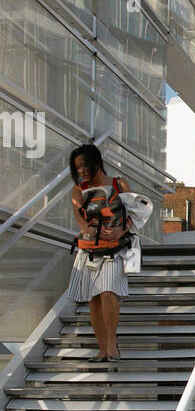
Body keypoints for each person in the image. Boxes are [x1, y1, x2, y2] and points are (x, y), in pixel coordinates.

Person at [67, 144, 131, 362]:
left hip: (115, 247)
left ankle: (112, 343)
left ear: (96, 161)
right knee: (93, 298)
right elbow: (81, 221)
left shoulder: (118, 184)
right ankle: (102, 348)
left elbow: (135, 213)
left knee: (108, 291)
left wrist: (121, 229)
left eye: (84, 165)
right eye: (77, 167)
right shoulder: (78, 190)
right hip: (90, 249)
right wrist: (94, 230)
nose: (82, 171)